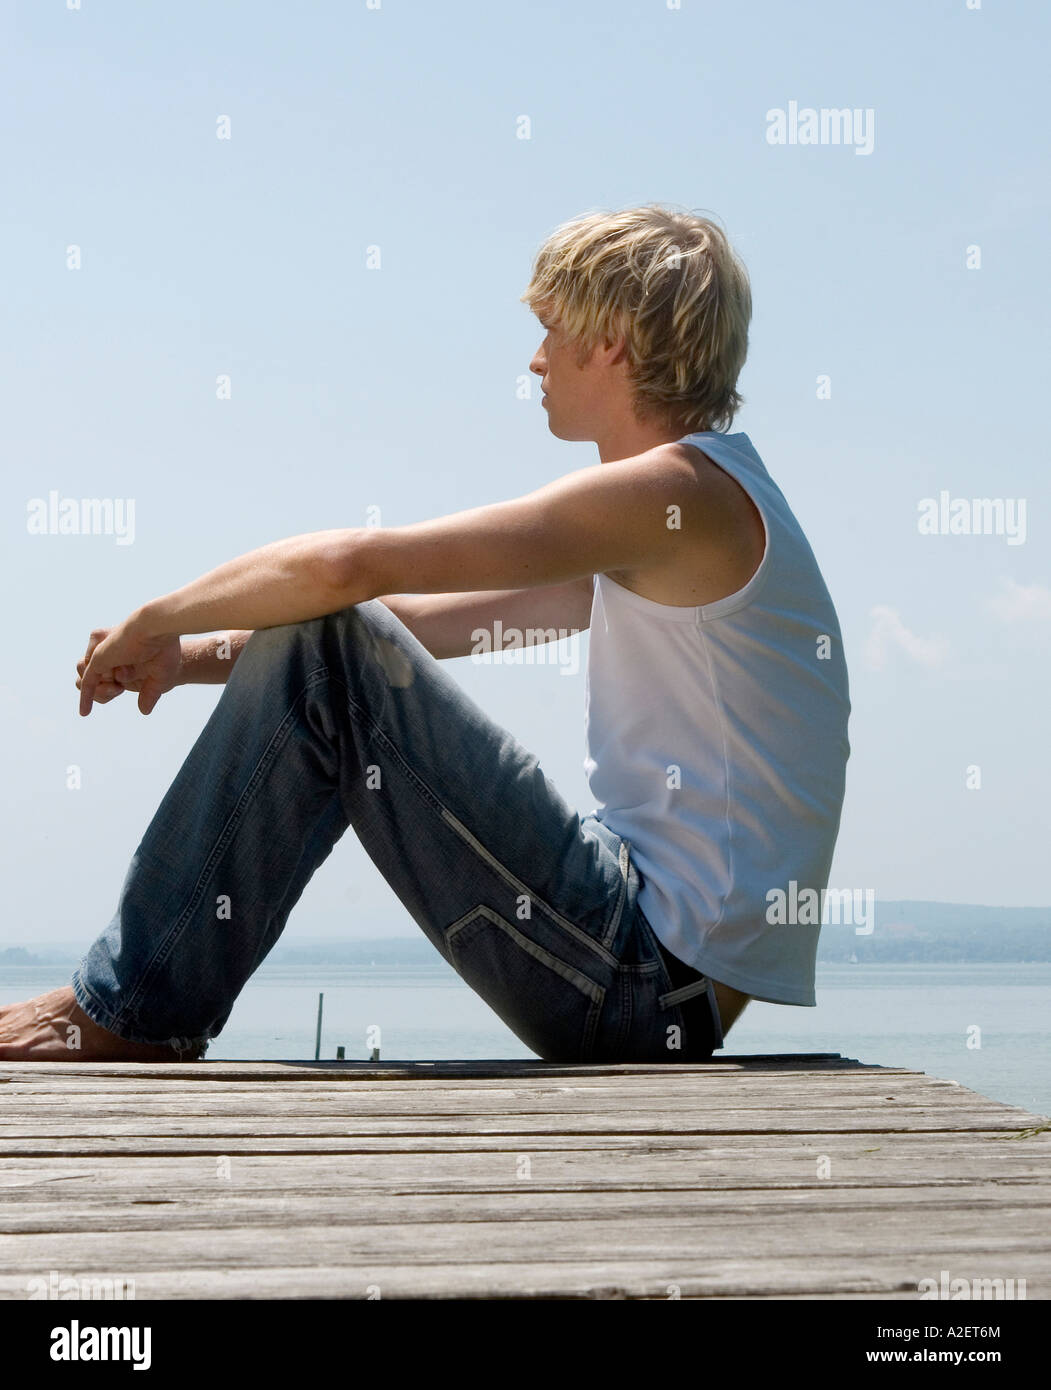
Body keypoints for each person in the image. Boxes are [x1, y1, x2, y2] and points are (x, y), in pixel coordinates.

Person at [0, 204, 850, 1065]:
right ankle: (133, 1001)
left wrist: (160, 615)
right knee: (335, 644)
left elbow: (348, 571)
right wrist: (187, 659)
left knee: (332, 638)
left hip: (640, 988)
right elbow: (415, 630)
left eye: (550, 328)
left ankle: (129, 1012)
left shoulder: (679, 497)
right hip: (650, 977)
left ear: (614, 340)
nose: (533, 359)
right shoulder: (680, 516)